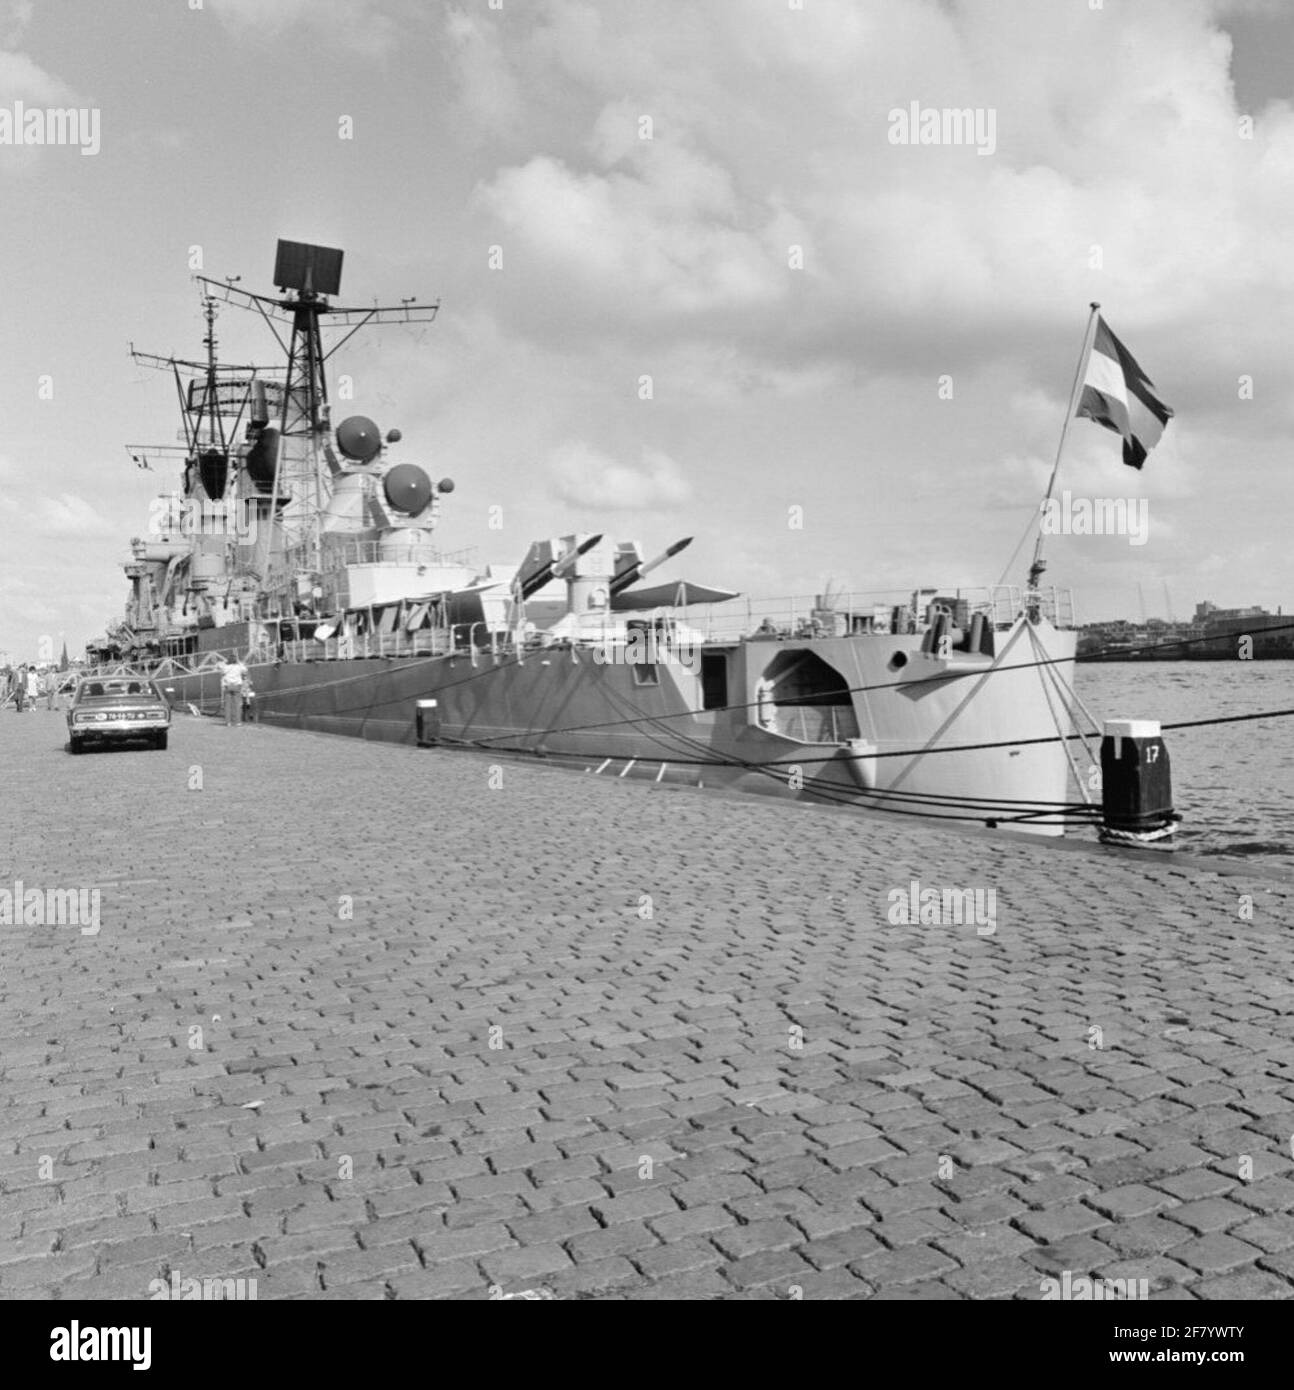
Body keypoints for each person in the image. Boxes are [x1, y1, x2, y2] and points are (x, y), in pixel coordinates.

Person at [219, 657, 247, 727]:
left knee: (228, 705)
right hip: (237, 686)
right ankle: (238, 722)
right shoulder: (238, 667)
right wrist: (240, 663)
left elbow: (221, 671)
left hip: (228, 686)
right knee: (237, 704)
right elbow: (245, 670)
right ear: (235, 661)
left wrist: (224, 663)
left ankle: (228, 722)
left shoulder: (226, 667)